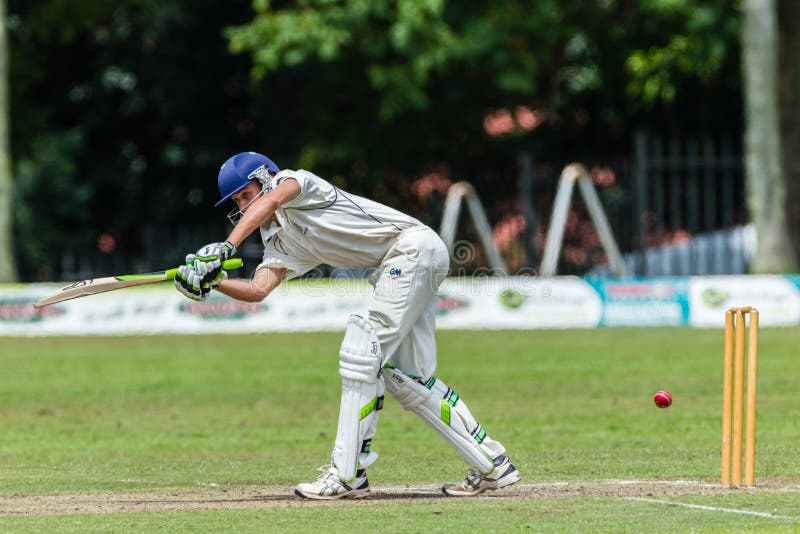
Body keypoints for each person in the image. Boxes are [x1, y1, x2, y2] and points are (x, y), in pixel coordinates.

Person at [174, 151, 519, 499]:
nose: (244, 207)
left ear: (264, 179)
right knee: (407, 378)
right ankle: (492, 463)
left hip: (411, 250)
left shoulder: (295, 183)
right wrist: (212, 282)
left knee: (361, 349)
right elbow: (258, 289)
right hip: (410, 260)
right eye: (237, 202)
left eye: (246, 196)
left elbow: (274, 199)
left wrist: (226, 246)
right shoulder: (280, 240)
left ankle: (347, 475)